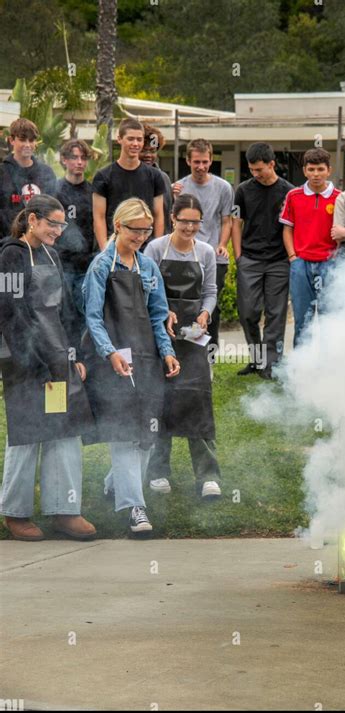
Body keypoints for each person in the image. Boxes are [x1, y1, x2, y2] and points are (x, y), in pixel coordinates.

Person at [0, 195, 96, 541]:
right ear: (32, 220)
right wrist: (35, 363)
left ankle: (65, 510)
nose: (58, 230)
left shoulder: (53, 256)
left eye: (61, 225)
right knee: (27, 435)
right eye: (52, 224)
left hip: (57, 361)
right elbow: (11, 314)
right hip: (23, 362)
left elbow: (67, 311)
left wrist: (75, 355)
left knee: (63, 431)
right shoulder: (10, 254)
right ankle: (16, 513)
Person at [82, 198, 180, 537]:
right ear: (118, 226)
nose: (141, 237)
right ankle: (134, 507)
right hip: (113, 361)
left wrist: (166, 351)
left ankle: (115, 482)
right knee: (125, 433)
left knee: (146, 435)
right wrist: (109, 353)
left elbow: (157, 315)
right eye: (135, 230)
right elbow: (92, 318)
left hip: (147, 358)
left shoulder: (148, 268)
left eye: (147, 231)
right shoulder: (100, 267)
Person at [144, 193, 221, 499]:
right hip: (160, 335)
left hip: (194, 338)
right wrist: (162, 310)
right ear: (173, 218)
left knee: (197, 400)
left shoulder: (204, 252)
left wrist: (205, 312)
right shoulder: (155, 248)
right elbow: (146, 288)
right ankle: (158, 471)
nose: (190, 227)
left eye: (195, 222)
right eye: (184, 221)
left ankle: (208, 476)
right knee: (160, 399)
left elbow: (211, 290)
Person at [232, 142, 294, 379]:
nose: (255, 174)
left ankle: (270, 364)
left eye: (259, 170)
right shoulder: (243, 190)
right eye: (252, 170)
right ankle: (257, 359)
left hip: (279, 261)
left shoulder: (289, 192)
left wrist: (290, 256)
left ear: (272, 164)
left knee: (276, 314)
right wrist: (239, 256)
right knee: (248, 312)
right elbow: (236, 222)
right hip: (250, 259)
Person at [172, 138, 233, 352]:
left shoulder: (223, 187)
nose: (201, 166)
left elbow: (227, 220)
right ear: (188, 160)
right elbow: (175, 220)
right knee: (187, 306)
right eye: (196, 162)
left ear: (211, 160)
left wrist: (223, 244)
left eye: (205, 162)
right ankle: (187, 351)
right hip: (186, 257)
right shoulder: (179, 187)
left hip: (214, 258)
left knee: (210, 309)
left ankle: (210, 355)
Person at [280, 148, 341, 346]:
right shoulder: (294, 196)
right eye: (312, 169)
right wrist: (292, 257)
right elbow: (287, 229)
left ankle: (327, 365)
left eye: (320, 169)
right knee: (302, 319)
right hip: (301, 264)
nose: (316, 174)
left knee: (329, 318)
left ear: (329, 170)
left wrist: (336, 256)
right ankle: (301, 369)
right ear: (305, 170)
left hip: (329, 264)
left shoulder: (340, 198)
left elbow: (342, 232)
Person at [92, 118, 166, 251]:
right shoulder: (103, 176)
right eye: (130, 139)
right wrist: (105, 251)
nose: (135, 144)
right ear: (119, 139)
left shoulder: (155, 176)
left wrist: (155, 248)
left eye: (139, 139)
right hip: (113, 248)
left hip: (145, 250)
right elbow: (99, 217)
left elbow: (159, 215)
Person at [55, 139, 95, 332]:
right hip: (62, 264)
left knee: (86, 315)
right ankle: (68, 359)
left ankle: (86, 359)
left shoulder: (93, 191)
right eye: (74, 157)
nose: (79, 162)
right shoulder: (54, 190)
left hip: (87, 265)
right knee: (64, 315)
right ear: (64, 160)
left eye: (83, 158)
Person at [0, 118, 57, 240]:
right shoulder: (2, 172)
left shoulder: (46, 173)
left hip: (39, 245)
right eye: (22, 139)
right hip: (5, 245)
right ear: (11, 140)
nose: (27, 145)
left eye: (31, 140)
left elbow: (52, 211)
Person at [139, 124, 173, 235]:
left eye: (153, 151)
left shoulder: (164, 178)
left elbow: (168, 214)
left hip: (160, 244)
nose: (148, 155)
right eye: (144, 150)